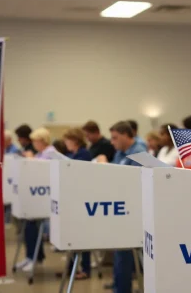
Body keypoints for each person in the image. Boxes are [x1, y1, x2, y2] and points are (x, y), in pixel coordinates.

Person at [97, 121, 146, 293]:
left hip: (134, 207)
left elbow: (130, 180)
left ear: (126, 135)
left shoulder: (139, 151)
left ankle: (123, 287)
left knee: (125, 250)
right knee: (120, 248)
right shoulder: (121, 152)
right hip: (122, 204)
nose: (112, 142)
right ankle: (119, 283)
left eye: (115, 137)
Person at [15, 127, 56, 272]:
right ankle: (31, 256)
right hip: (36, 196)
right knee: (29, 225)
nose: (34, 144)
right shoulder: (41, 153)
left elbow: (41, 171)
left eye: (36, 141)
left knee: (32, 226)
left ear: (42, 141)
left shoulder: (50, 153)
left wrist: (30, 159)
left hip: (44, 196)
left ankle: (34, 257)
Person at [61, 127, 92, 280]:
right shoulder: (71, 154)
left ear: (74, 140)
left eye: (67, 140)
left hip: (82, 197)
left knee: (83, 236)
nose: (65, 143)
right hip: (73, 197)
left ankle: (84, 269)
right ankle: (72, 268)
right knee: (73, 235)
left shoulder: (84, 154)